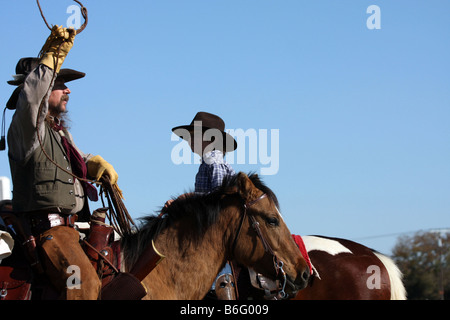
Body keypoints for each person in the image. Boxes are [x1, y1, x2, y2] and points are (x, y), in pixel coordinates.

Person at [6, 26, 120, 299]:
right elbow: (33, 97)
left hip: (71, 229)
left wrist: (92, 164)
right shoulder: (26, 126)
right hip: (48, 231)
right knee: (82, 284)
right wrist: (52, 57)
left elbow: (77, 159)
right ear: (42, 89)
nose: (68, 89)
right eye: (59, 83)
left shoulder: (58, 132)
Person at [170, 111, 238, 299]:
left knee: (216, 247)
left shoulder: (213, 162)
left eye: (193, 137)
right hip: (213, 222)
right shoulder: (209, 162)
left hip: (218, 226)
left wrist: (186, 199)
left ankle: (224, 282)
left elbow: (218, 200)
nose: (189, 141)